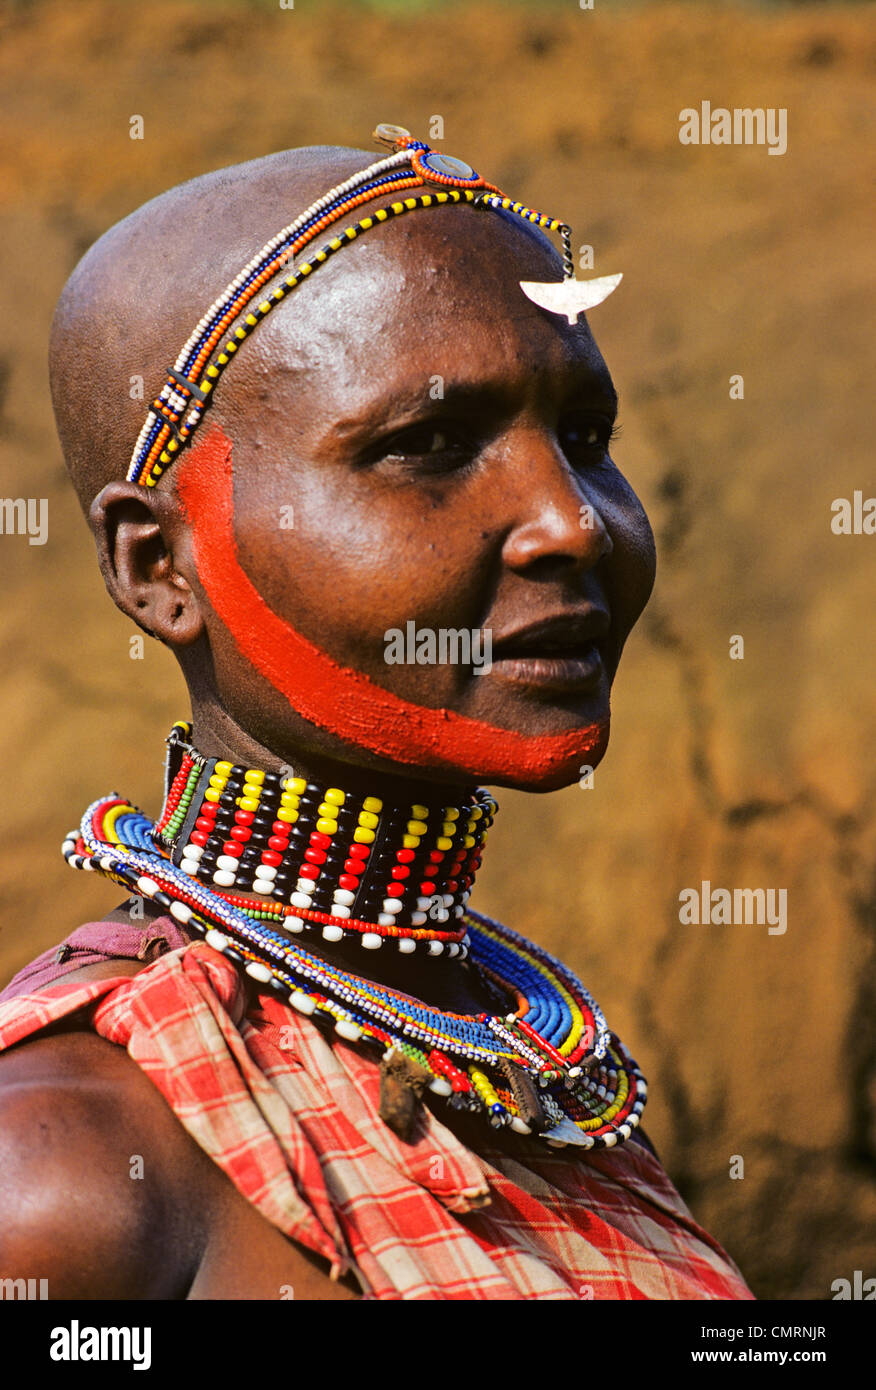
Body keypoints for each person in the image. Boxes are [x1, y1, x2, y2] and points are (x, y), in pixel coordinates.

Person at [0, 127, 753, 1300]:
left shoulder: (540, 1079)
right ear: (159, 566)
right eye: (429, 447)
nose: (573, 522)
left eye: (586, 438)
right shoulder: (73, 1178)